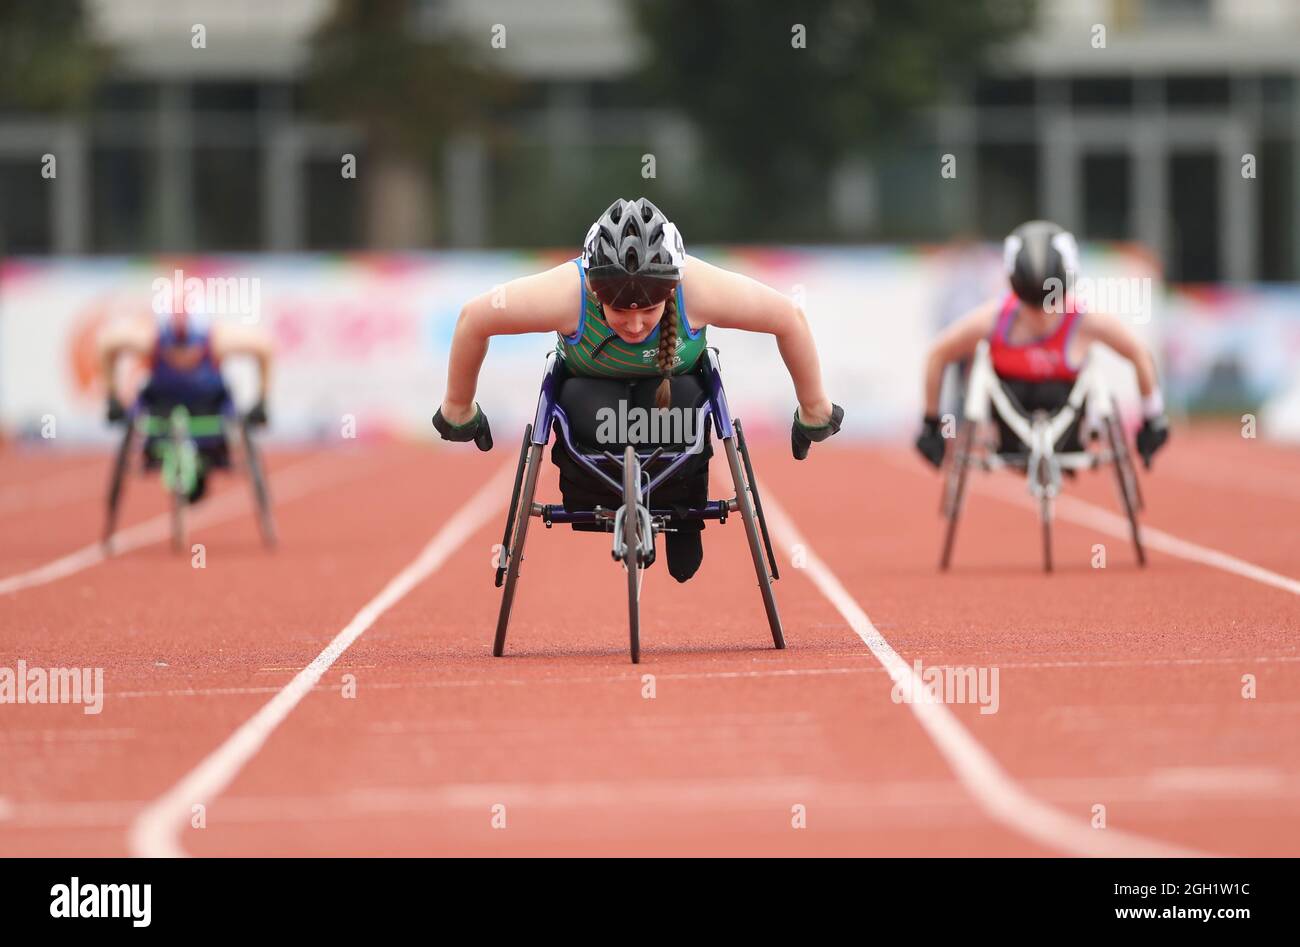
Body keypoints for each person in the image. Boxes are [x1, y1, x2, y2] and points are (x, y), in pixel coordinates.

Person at [433, 197, 843, 582]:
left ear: (670, 289)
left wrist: (815, 410)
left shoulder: (695, 287)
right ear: (595, 290)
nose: (634, 327)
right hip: (588, 411)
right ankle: (635, 500)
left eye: (649, 310)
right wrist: (457, 409)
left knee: (685, 397)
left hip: (675, 410)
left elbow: (788, 318)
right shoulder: (567, 293)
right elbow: (473, 319)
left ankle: (684, 509)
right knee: (583, 403)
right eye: (619, 312)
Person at [915, 219, 1169, 468]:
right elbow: (938, 354)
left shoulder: (1085, 320)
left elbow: (1139, 354)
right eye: (1031, 304)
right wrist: (931, 423)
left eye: (1050, 301)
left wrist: (1153, 417)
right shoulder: (993, 319)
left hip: (1067, 424)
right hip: (1009, 425)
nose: (1041, 316)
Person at [100, 307, 273, 502]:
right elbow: (264, 347)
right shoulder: (214, 340)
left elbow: (107, 344)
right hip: (175, 409)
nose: (182, 354)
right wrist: (262, 400)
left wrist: (112, 397)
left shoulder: (153, 339)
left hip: (195, 409)